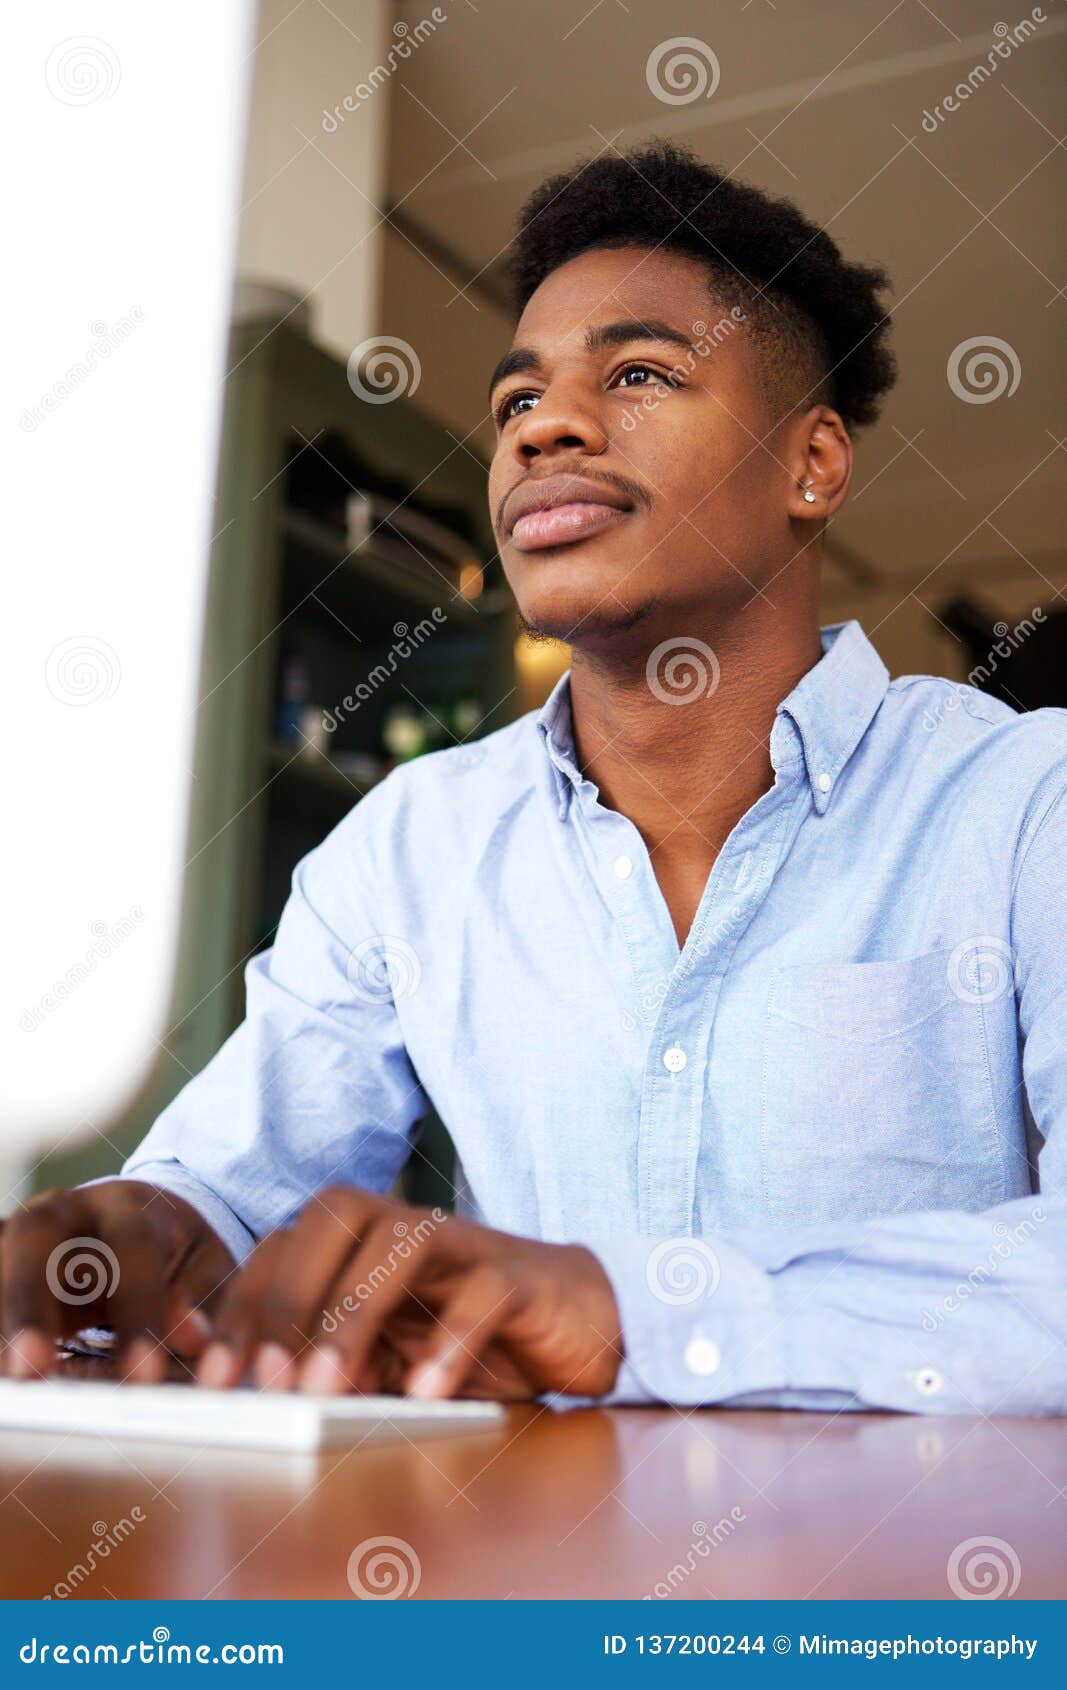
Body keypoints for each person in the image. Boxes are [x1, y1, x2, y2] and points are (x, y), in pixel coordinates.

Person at [4, 141, 1065, 1414]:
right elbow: (232, 1188)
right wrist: (139, 1227)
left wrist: (627, 1309)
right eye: (516, 401)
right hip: (516, 1533)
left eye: (638, 373)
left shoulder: (1025, 802)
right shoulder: (409, 845)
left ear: (812, 463)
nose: (542, 428)